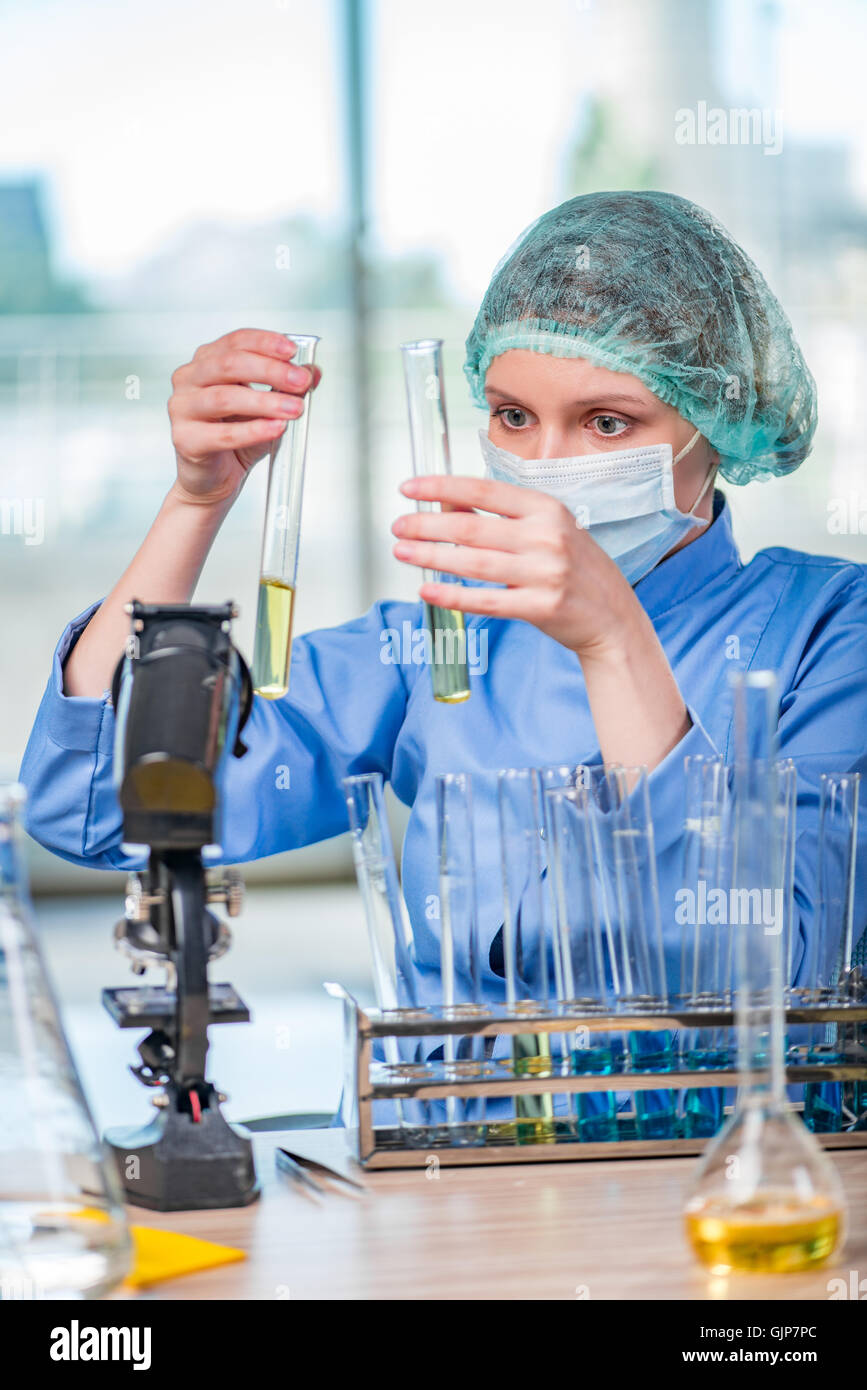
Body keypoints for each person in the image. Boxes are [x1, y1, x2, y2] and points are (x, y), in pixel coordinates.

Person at [19, 191, 867, 1035]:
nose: (544, 463)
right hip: (445, 1155)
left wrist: (614, 639)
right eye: (512, 415)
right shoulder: (433, 645)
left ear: (717, 418)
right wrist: (194, 502)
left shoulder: (827, 630)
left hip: (703, 1160)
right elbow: (88, 809)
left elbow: (778, 975)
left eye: (607, 423)